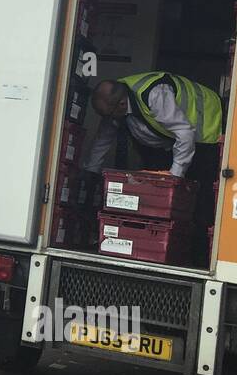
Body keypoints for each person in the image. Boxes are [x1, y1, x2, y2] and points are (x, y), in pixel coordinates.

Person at [83, 72, 223, 261]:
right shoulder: (117, 103)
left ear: (122, 105)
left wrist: (175, 177)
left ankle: (195, 256)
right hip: (167, 143)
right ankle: (155, 247)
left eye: (108, 115)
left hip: (204, 131)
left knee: (199, 198)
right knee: (155, 196)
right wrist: (91, 172)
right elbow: (103, 139)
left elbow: (184, 133)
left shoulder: (154, 94)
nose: (107, 119)